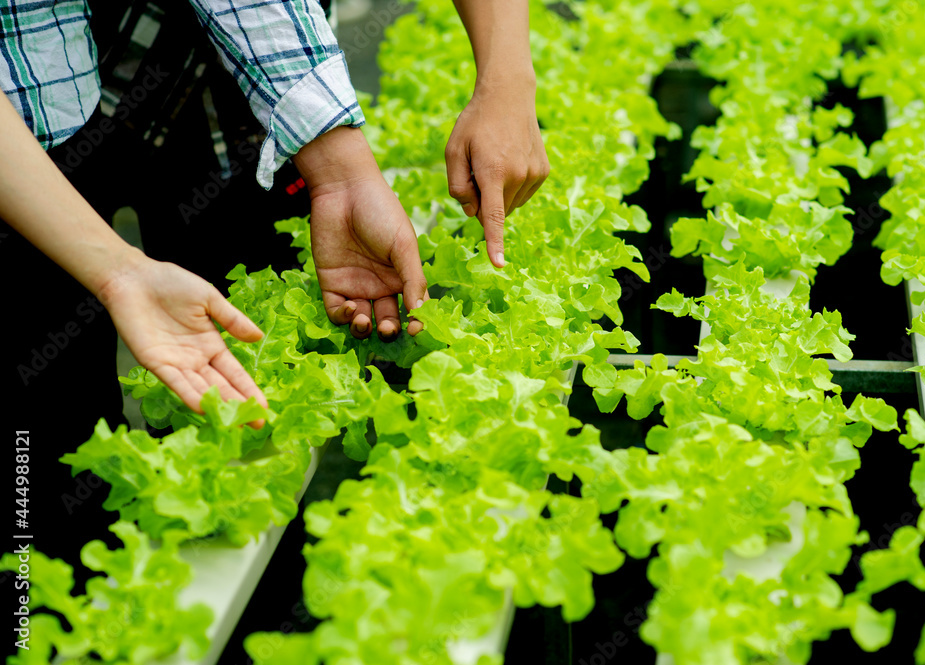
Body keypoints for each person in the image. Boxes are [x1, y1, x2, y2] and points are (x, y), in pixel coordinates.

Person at [1, 0, 547, 579]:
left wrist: (507, 79)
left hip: (244, 88)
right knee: (41, 447)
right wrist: (116, 271)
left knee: (256, 415)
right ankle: (42, 607)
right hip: (42, 100)